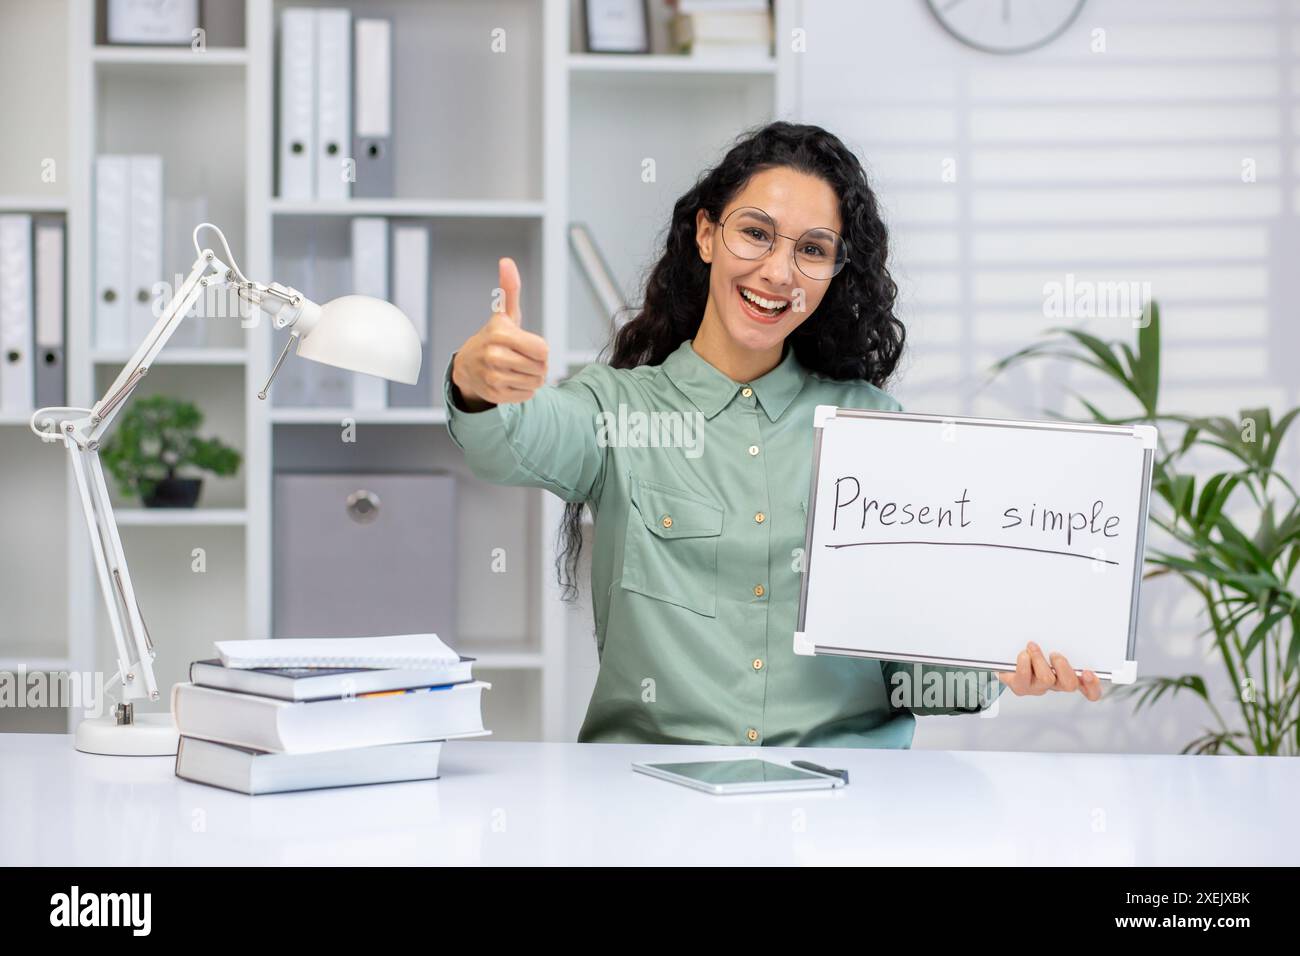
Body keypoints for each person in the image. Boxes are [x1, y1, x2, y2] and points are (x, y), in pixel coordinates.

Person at [444, 121, 1103, 748]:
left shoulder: (876, 427)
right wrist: (478, 382)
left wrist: (993, 665)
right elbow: (510, 439)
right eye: (756, 233)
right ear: (707, 235)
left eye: (811, 250)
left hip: (850, 797)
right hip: (652, 793)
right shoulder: (618, 411)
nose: (779, 273)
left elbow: (909, 673)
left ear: (834, 271)